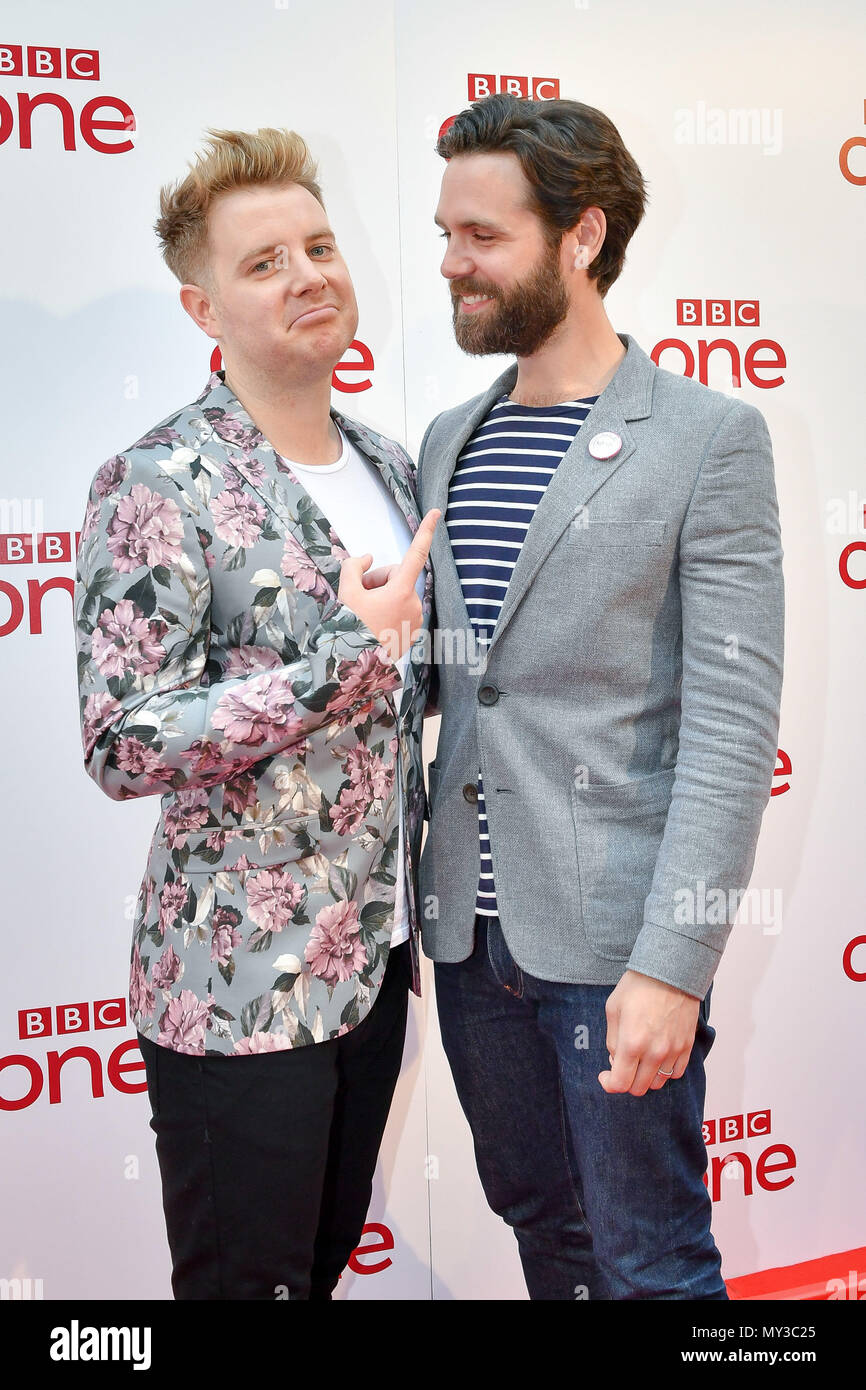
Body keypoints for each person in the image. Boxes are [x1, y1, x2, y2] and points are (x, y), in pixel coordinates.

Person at [417, 93, 784, 1300]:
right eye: (445, 233)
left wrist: (674, 962)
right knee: (547, 1236)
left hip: (615, 949)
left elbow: (731, 730)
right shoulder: (443, 440)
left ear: (580, 237)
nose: (451, 264)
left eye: (482, 235)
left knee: (650, 1259)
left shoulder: (703, 440)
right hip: (471, 941)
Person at [73, 126, 439, 1300]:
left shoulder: (389, 462)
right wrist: (342, 657)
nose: (308, 276)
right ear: (202, 306)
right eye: (265, 261)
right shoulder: (155, 480)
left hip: (375, 962)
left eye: (320, 247)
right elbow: (124, 739)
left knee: (316, 1272)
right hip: (235, 989)